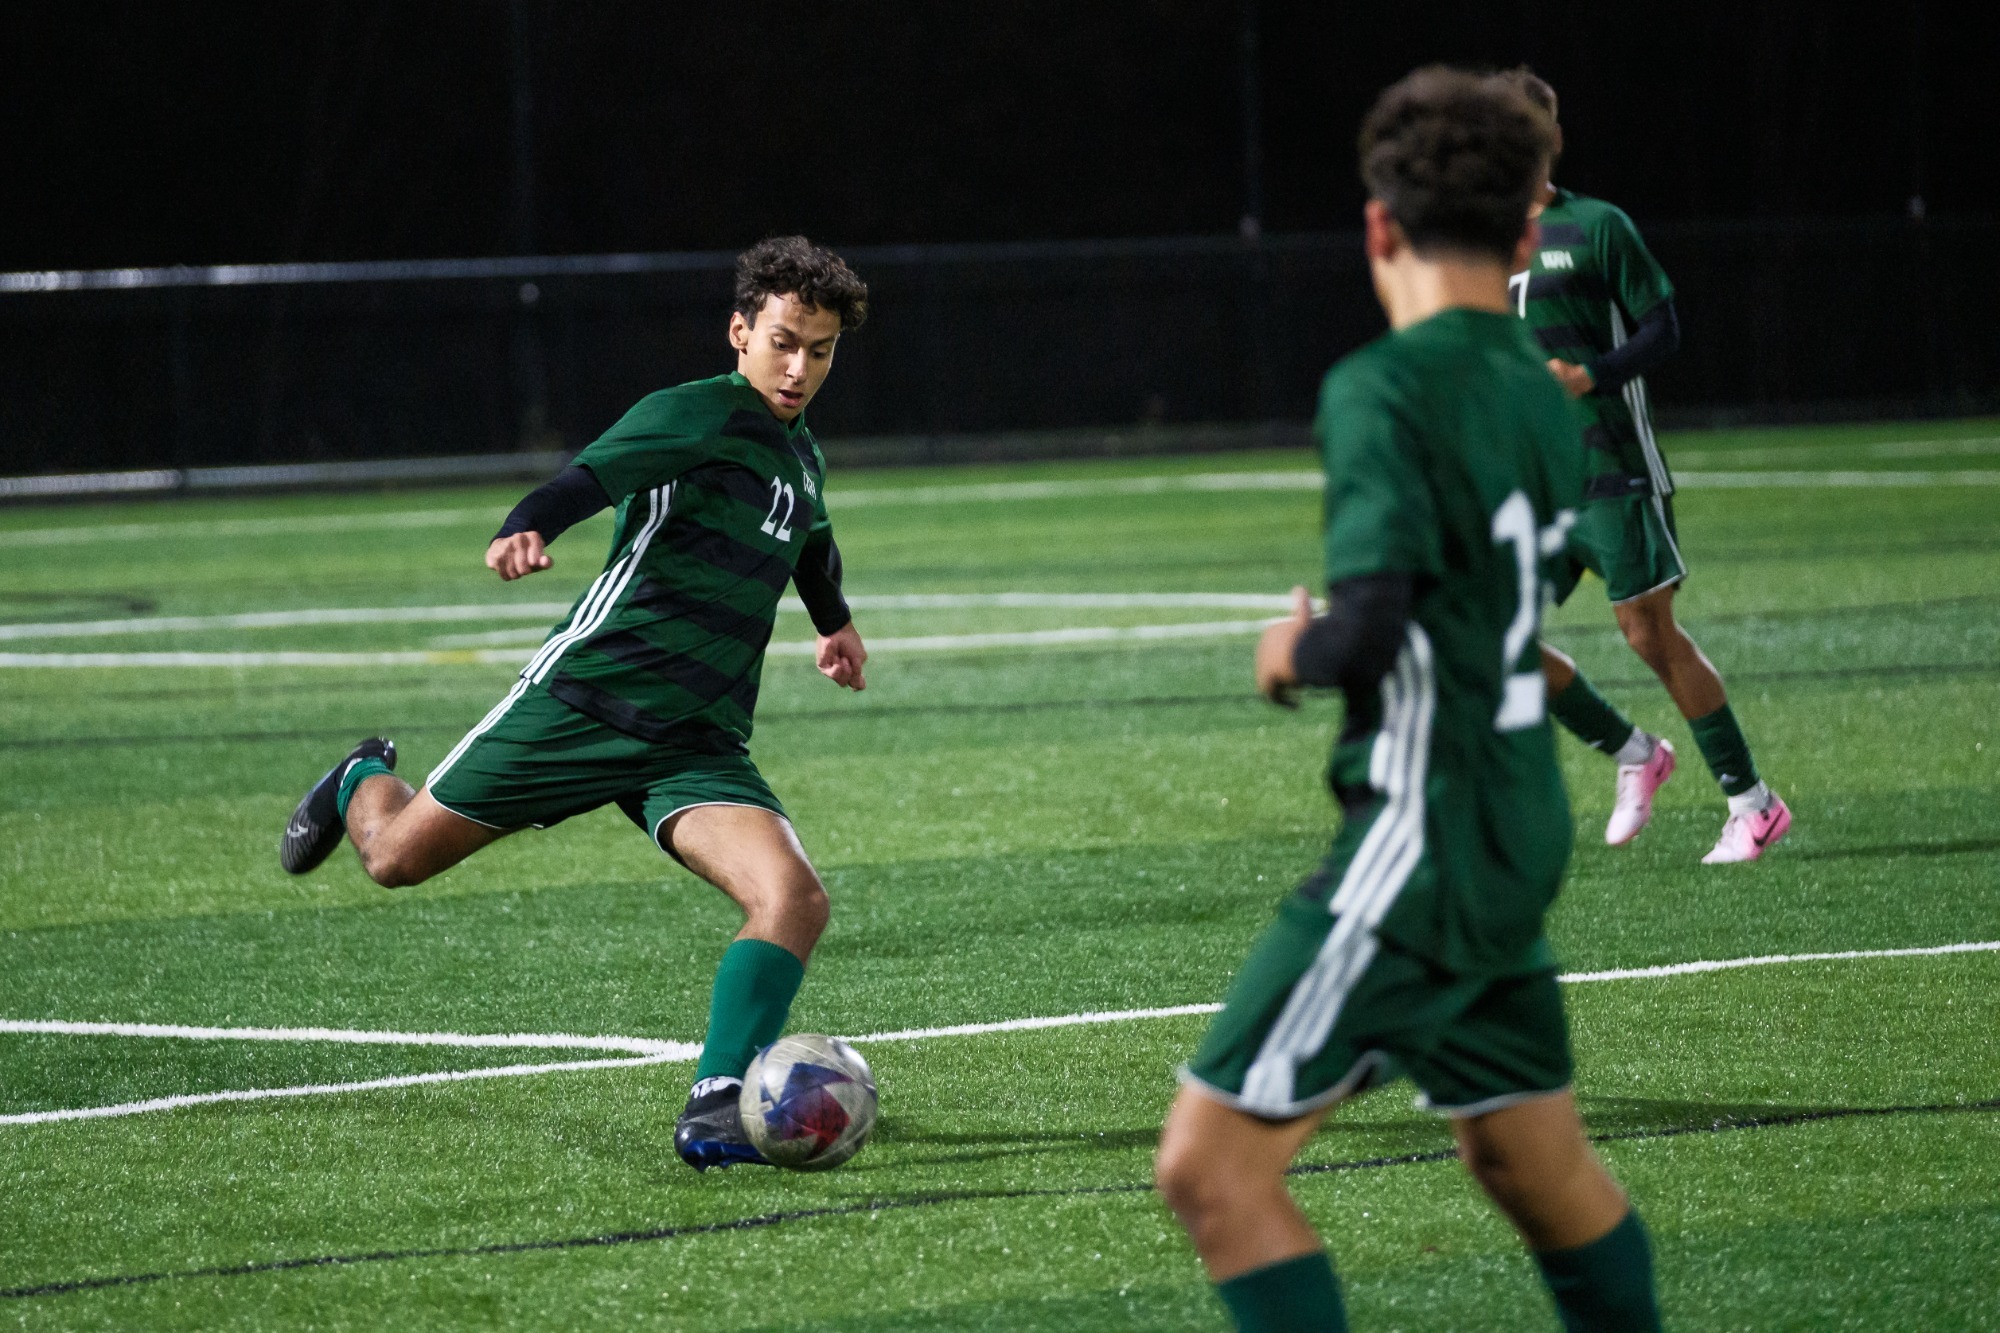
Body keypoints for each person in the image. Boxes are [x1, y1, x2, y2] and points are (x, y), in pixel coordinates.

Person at [1154, 69, 1663, 1332]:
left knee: (1210, 1172)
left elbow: (1372, 628)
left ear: (1378, 228)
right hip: (1513, 824)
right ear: (1525, 234)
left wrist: (1290, 649)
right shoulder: (1547, 393)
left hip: (1420, 835)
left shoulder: (1380, 387)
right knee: (1528, 1167)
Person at [277, 236, 871, 1171]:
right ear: (740, 331)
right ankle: (361, 776)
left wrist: (834, 625)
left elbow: (810, 544)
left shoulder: (801, 457)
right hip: (588, 700)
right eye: (785, 341)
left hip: (695, 738)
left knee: (793, 896)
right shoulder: (695, 413)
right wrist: (528, 523)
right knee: (393, 860)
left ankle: (716, 1104)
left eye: (822, 349)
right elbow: (590, 475)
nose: (800, 367)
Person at [1495, 66, 1789, 863]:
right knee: (1490, 632)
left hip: (1614, 469)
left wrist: (1591, 375)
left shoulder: (1596, 226)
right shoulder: (1479, 243)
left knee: (1647, 636)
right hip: (1536, 483)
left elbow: (1663, 329)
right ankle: (1634, 753)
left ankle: (1752, 803)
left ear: (1550, 139)